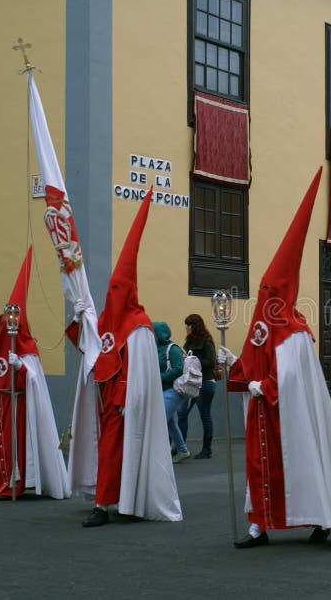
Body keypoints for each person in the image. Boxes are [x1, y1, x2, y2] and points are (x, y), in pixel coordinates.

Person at [219, 168, 331, 548]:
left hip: (290, 418)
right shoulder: (262, 325)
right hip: (261, 415)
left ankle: (319, 519)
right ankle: (258, 526)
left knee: (302, 465)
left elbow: (285, 379)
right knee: (258, 468)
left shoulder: (296, 332)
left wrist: (259, 386)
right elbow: (252, 367)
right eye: (263, 287)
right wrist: (232, 363)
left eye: (272, 288)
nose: (265, 292)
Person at [67, 190, 182, 527]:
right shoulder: (108, 322)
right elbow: (92, 347)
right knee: (106, 451)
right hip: (103, 398)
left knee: (117, 450)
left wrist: (121, 399)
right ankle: (110, 499)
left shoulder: (138, 326)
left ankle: (106, 505)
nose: (112, 295)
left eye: (118, 290)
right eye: (110, 289)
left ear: (128, 292)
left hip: (123, 402)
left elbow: (137, 370)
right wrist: (78, 318)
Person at [0, 247, 69, 500]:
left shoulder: (28, 348)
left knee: (14, 446)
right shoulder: (1, 347)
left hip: (18, 406)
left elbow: (34, 381)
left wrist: (21, 367)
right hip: (0, 403)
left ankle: (16, 483)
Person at [177, 314, 218, 459]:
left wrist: (192, 361)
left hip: (205, 382)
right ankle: (181, 446)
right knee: (181, 413)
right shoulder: (189, 340)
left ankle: (207, 449)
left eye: (188, 325)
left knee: (204, 415)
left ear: (195, 326)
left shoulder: (207, 341)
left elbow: (212, 361)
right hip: (190, 382)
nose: (186, 327)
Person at [154, 321, 190, 463]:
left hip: (173, 390)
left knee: (160, 421)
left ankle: (159, 454)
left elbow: (178, 369)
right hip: (163, 389)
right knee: (169, 422)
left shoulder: (173, 348)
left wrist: (158, 377)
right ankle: (182, 450)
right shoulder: (156, 348)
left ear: (160, 333)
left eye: (153, 332)